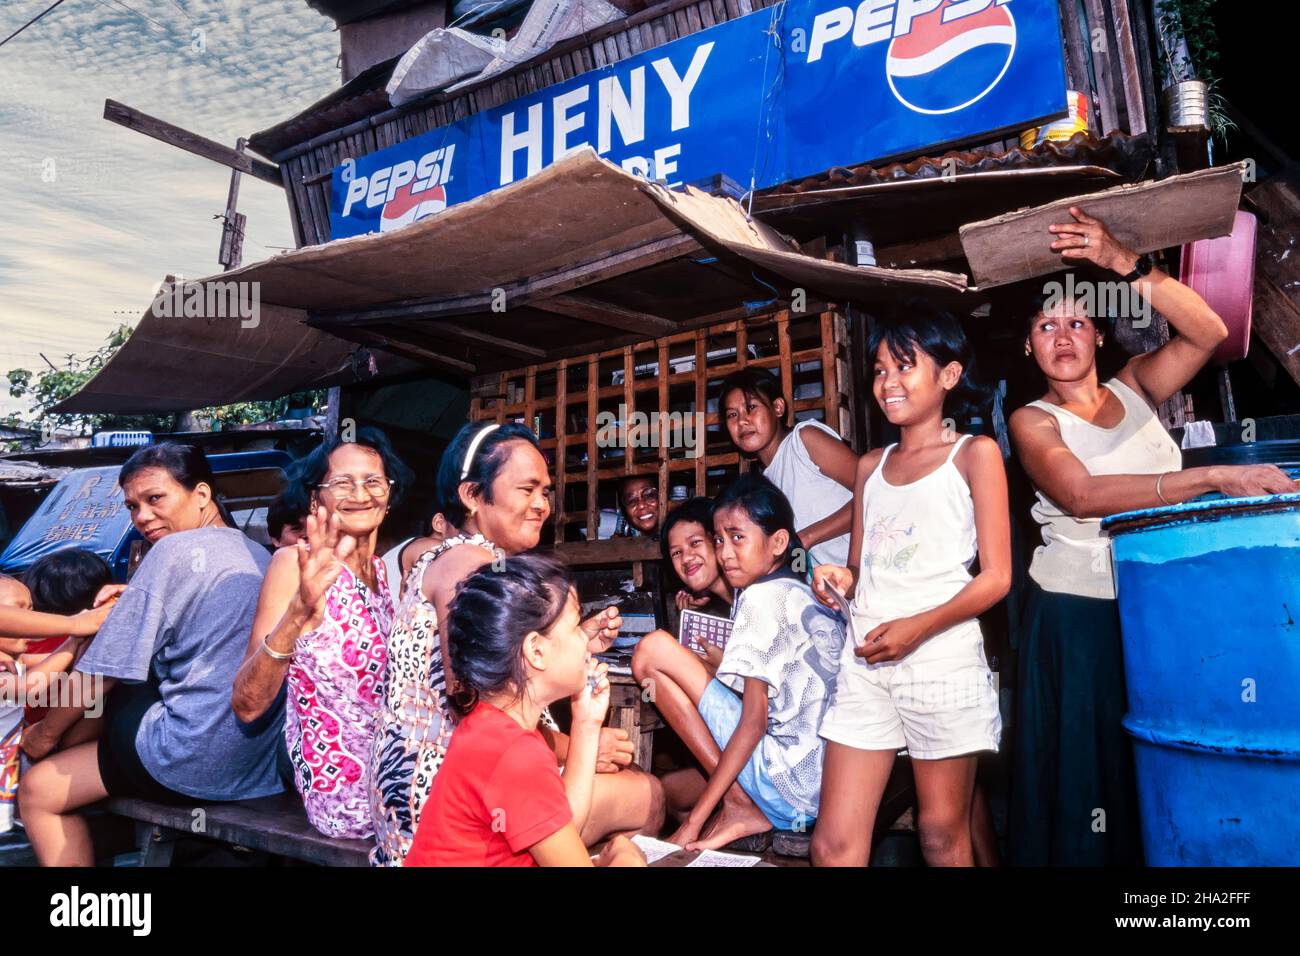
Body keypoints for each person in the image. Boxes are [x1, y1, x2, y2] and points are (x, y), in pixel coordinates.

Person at [1007, 208, 1295, 866]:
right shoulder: (1033, 421)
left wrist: (1123, 263)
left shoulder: (1136, 384)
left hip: (1160, 607)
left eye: (1077, 320)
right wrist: (1209, 478)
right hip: (1078, 614)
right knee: (1088, 786)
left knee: (1161, 760)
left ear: (1098, 336)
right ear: (1028, 346)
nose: (1063, 335)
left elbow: (1211, 330)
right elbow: (1080, 495)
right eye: (1045, 325)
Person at [369, 421, 664, 866]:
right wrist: (575, 746)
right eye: (527, 489)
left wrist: (576, 640)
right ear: (472, 496)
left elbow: (500, 668)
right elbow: (467, 698)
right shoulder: (473, 564)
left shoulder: (460, 558)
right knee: (649, 793)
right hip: (430, 794)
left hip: (430, 787)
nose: (541, 504)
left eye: (545, 492)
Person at [809, 303, 1009, 868]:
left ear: (947, 375)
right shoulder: (870, 466)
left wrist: (918, 629)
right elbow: (859, 566)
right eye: (878, 369)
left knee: (942, 836)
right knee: (831, 844)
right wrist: (837, 579)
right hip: (867, 660)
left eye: (903, 366)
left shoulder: (974, 455)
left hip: (940, 658)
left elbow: (996, 577)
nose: (887, 383)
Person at [19, 443, 286, 866]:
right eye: (132, 506)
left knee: (38, 790)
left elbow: (98, 676)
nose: (142, 516)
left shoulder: (171, 552)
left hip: (184, 760)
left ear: (201, 495)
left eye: (155, 498)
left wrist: (42, 738)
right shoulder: (260, 555)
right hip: (252, 765)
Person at [633, 474, 841, 850]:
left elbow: (753, 722)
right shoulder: (803, 591)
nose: (725, 552)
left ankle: (738, 805)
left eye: (737, 538)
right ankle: (735, 804)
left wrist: (694, 824)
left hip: (786, 788)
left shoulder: (758, 598)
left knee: (652, 650)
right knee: (670, 789)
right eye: (719, 540)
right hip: (830, 789)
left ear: (778, 542)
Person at [405, 556, 647, 867]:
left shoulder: (490, 726)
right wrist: (630, 859)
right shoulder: (516, 754)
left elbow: (559, 831)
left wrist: (586, 725)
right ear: (535, 651)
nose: (584, 641)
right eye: (576, 627)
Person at [232, 427, 411, 840]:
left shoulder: (385, 574)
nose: (361, 494)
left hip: (398, 769)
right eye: (343, 482)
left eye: (373, 481)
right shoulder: (292, 565)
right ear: (316, 498)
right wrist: (299, 612)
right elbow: (247, 705)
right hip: (348, 793)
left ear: (389, 496)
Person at [719, 367, 857, 569]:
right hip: (838, 590)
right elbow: (797, 555)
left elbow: (873, 490)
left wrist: (808, 537)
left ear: (777, 408)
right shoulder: (763, 485)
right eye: (732, 414)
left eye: (751, 407)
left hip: (876, 565)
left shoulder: (804, 441)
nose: (742, 421)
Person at [658, 496, 733, 617]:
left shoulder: (757, 595)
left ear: (719, 540)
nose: (686, 558)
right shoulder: (736, 602)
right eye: (676, 553)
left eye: (695, 542)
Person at [380, 509, 455, 600]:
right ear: (439, 523)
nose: (475, 541)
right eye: (467, 531)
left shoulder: (416, 545)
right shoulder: (432, 549)